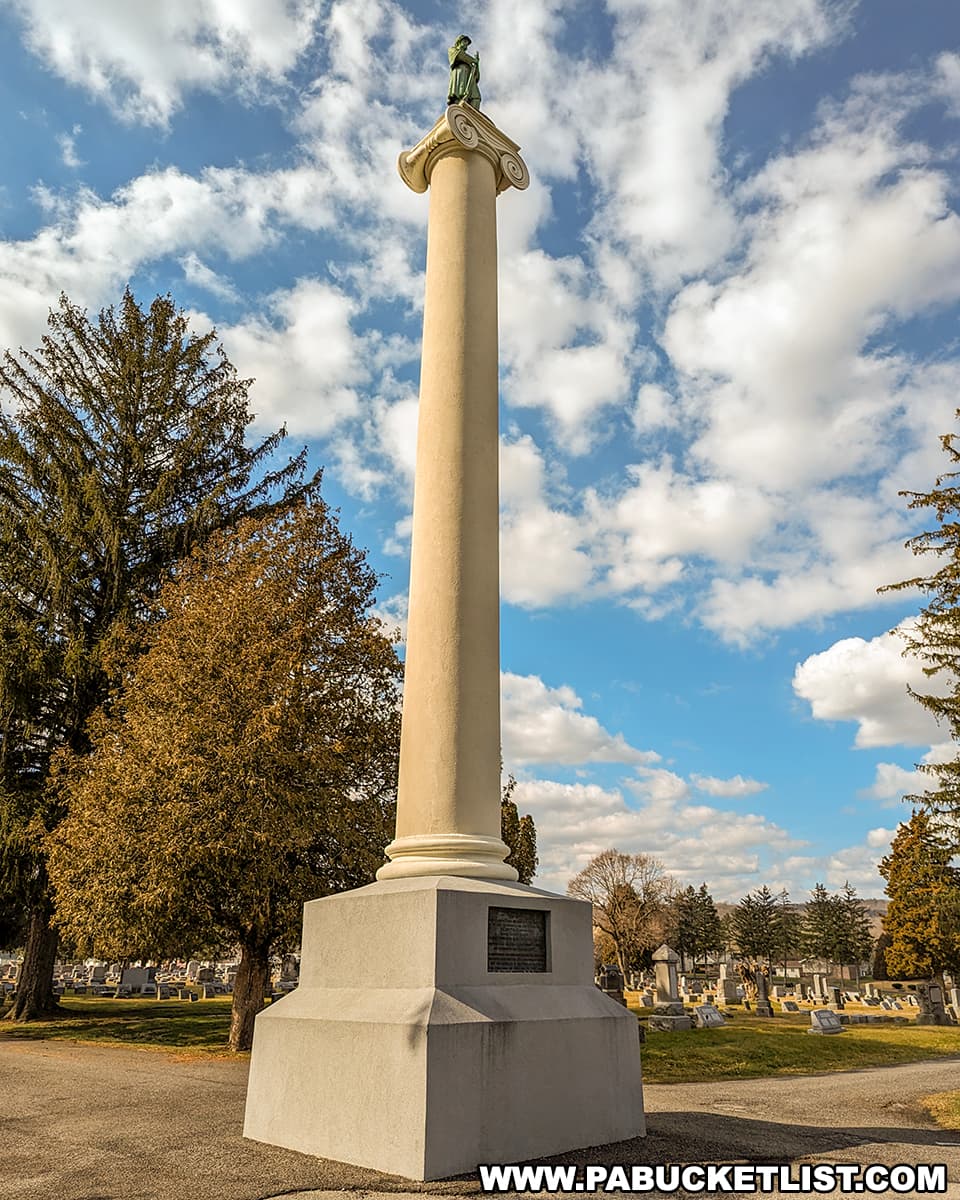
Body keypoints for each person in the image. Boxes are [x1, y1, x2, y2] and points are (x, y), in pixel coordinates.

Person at [447, 35, 481, 109]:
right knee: (458, 96)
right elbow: (460, 55)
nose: (466, 44)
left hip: (469, 77)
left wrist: (477, 64)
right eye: (465, 41)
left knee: (476, 97)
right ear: (459, 42)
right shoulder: (452, 50)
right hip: (460, 74)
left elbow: (476, 76)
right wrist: (473, 60)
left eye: (467, 43)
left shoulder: (470, 61)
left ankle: (473, 116)